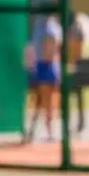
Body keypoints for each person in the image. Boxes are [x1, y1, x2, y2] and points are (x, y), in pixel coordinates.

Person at [23, 14, 61, 143]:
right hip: (46, 67)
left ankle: (40, 132)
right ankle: (45, 132)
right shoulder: (49, 28)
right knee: (45, 102)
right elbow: (49, 53)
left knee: (43, 102)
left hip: (45, 67)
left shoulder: (41, 27)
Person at [66, 10, 89, 134]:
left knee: (75, 94)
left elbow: (77, 48)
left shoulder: (76, 30)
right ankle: (78, 122)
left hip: (75, 65)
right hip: (74, 64)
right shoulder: (76, 28)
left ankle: (79, 122)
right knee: (76, 95)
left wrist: (73, 63)